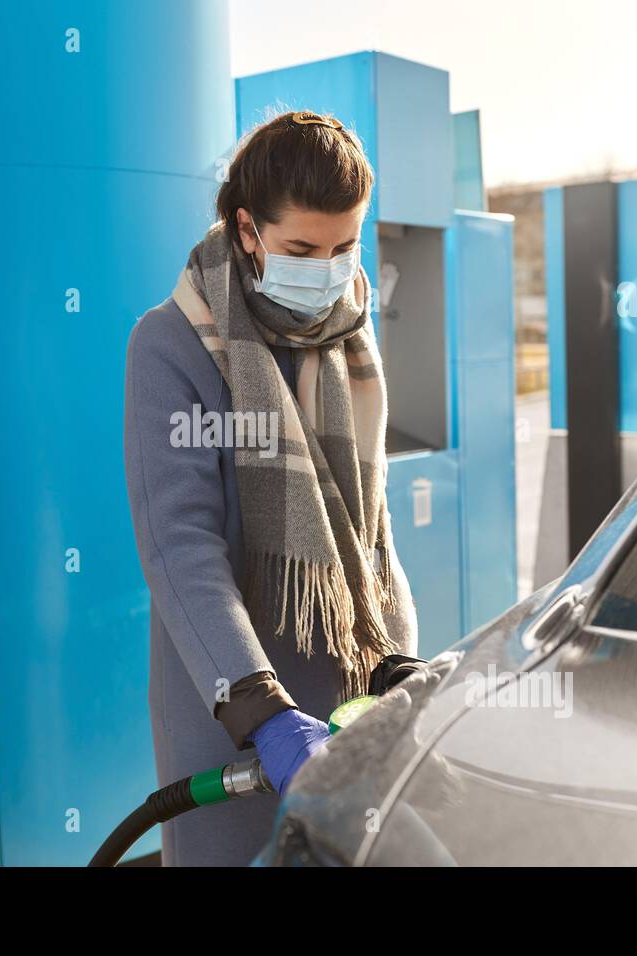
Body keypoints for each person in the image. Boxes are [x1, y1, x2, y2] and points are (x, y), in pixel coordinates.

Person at [123, 110, 417, 866]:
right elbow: (180, 548)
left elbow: (370, 529)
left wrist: (400, 662)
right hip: (229, 700)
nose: (328, 269)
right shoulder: (172, 343)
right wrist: (264, 713)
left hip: (350, 693)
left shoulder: (350, 335)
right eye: (301, 249)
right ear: (249, 231)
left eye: (345, 246)